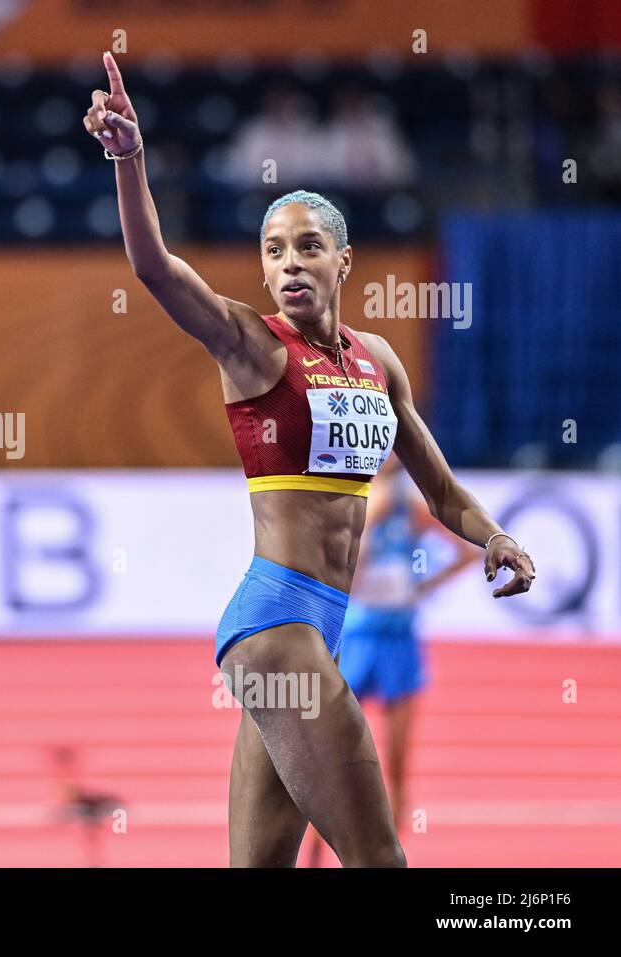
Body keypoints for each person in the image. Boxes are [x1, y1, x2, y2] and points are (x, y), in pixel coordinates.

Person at [83, 51, 536, 867]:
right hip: (274, 625)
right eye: (273, 250)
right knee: (381, 857)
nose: (288, 262)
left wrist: (493, 534)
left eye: (308, 246)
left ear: (343, 261)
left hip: (317, 633)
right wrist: (130, 159)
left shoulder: (378, 362)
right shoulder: (253, 346)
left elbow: (440, 487)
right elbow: (154, 267)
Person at [301, 455, 479, 867]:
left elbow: (466, 554)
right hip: (358, 638)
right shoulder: (352, 506)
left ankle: (389, 858)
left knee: (396, 763)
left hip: (398, 638)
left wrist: (423, 586)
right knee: (331, 756)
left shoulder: (407, 507)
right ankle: (312, 856)